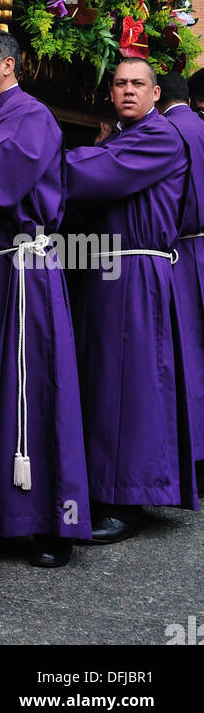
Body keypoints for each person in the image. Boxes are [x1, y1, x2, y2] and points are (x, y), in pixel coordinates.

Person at [0, 30, 91, 566]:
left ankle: (43, 524)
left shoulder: (30, 114)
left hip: (21, 270)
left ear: (9, 65)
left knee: (29, 390)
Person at [66, 58, 198, 540]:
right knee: (104, 380)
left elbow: (99, 174)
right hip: (105, 267)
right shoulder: (122, 137)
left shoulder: (159, 136)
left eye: (137, 84)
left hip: (136, 272)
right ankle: (106, 485)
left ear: (156, 92)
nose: (127, 91)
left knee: (132, 383)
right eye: (119, 83)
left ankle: (129, 497)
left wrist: (35, 155)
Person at [157, 71, 204, 470]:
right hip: (200, 247)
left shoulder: (168, 130)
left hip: (183, 251)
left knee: (186, 354)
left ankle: (194, 455)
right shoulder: (200, 126)